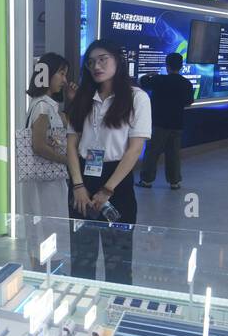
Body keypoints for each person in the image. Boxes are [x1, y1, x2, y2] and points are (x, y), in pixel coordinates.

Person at [65, 41, 151, 284]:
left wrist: (107, 190)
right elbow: (71, 144)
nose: (96, 66)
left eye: (103, 59)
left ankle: (117, 313)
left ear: (118, 60)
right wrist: (78, 186)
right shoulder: (83, 97)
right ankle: (81, 315)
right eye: (91, 62)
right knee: (82, 258)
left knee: (118, 261)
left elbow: (135, 150)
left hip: (117, 181)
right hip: (82, 178)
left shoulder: (137, 98)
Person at [21, 53, 73, 265]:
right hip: (46, 182)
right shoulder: (42, 106)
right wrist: (67, 161)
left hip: (47, 179)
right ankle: (45, 279)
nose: (64, 79)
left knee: (44, 230)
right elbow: (39, 144)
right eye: (61, 73)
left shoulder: (45, 104)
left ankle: (45, 276)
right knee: (47, 229)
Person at [138, 52, 193, 190]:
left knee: (152, 152)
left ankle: (147, 180)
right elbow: (189, 102)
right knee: (173, 153)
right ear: (181, 66)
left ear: (167, 65)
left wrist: (149, 74)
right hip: (177, 123)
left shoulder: (159, 80)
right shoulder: (186, 83)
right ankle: (174, 182)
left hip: (159, 123)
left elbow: (142, 82)